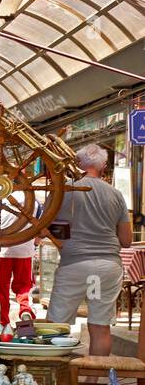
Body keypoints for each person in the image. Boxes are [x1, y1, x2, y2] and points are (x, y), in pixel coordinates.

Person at [46, 144, 132, 356]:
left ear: (77, 164)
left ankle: (59, 380)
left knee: (56, 326)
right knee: (100, 326)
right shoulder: (116, 195)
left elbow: (44, 228)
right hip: (107, 268)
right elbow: (127, 240)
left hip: (74, 265)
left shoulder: (63, 191)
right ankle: (92, 384)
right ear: (103, 166)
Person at [0, 211, 36, 336]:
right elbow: (39, 227)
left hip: (3, 250)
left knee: (1, 290)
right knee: (24, 287)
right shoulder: (35, 203)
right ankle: (26, 314)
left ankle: (4, 327)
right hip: (25, 250)